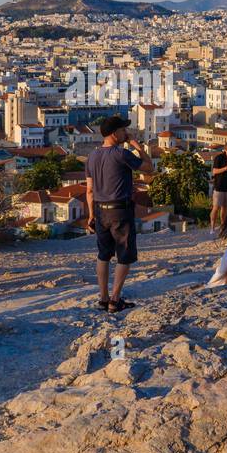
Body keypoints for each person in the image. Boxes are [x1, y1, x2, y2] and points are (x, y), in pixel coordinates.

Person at [84, 115, 153, 312]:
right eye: (123, 130)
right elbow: (148, 167)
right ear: (115, 134)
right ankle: (115, 300)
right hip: (120, 210)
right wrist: (137, 146)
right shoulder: (121, 153)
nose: (126, 132)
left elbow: (89, 190)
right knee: (125, 255)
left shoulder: (92, 156)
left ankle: (103, 298)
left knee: (103, 255)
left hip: (99, 209)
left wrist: (91, 215)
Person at [209, 143, 227, 231]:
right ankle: (212, 228)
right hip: (219, 187)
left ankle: (223, 226)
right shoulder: (219, 158)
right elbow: (214, 171)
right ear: (225, 150)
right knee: (216, 208)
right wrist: (226, 168)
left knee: (225, 208)